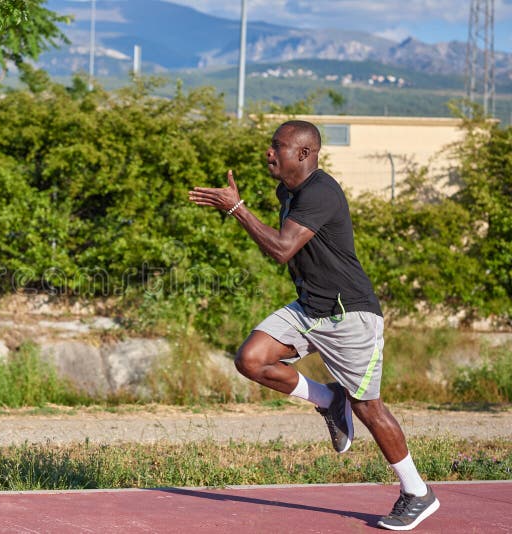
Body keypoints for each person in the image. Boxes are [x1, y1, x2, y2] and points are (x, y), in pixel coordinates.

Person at [188, 120, 439, 531]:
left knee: (368, 408)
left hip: (349, 315)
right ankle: (328, 399)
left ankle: (417, 492)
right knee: (252, 359)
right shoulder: (286, 191)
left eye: (278, 147)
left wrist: (236, 209)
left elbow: (283, 249)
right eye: (271, 146)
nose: (269, 153)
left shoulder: (321, 191)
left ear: (304, 154)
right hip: (310, 308)